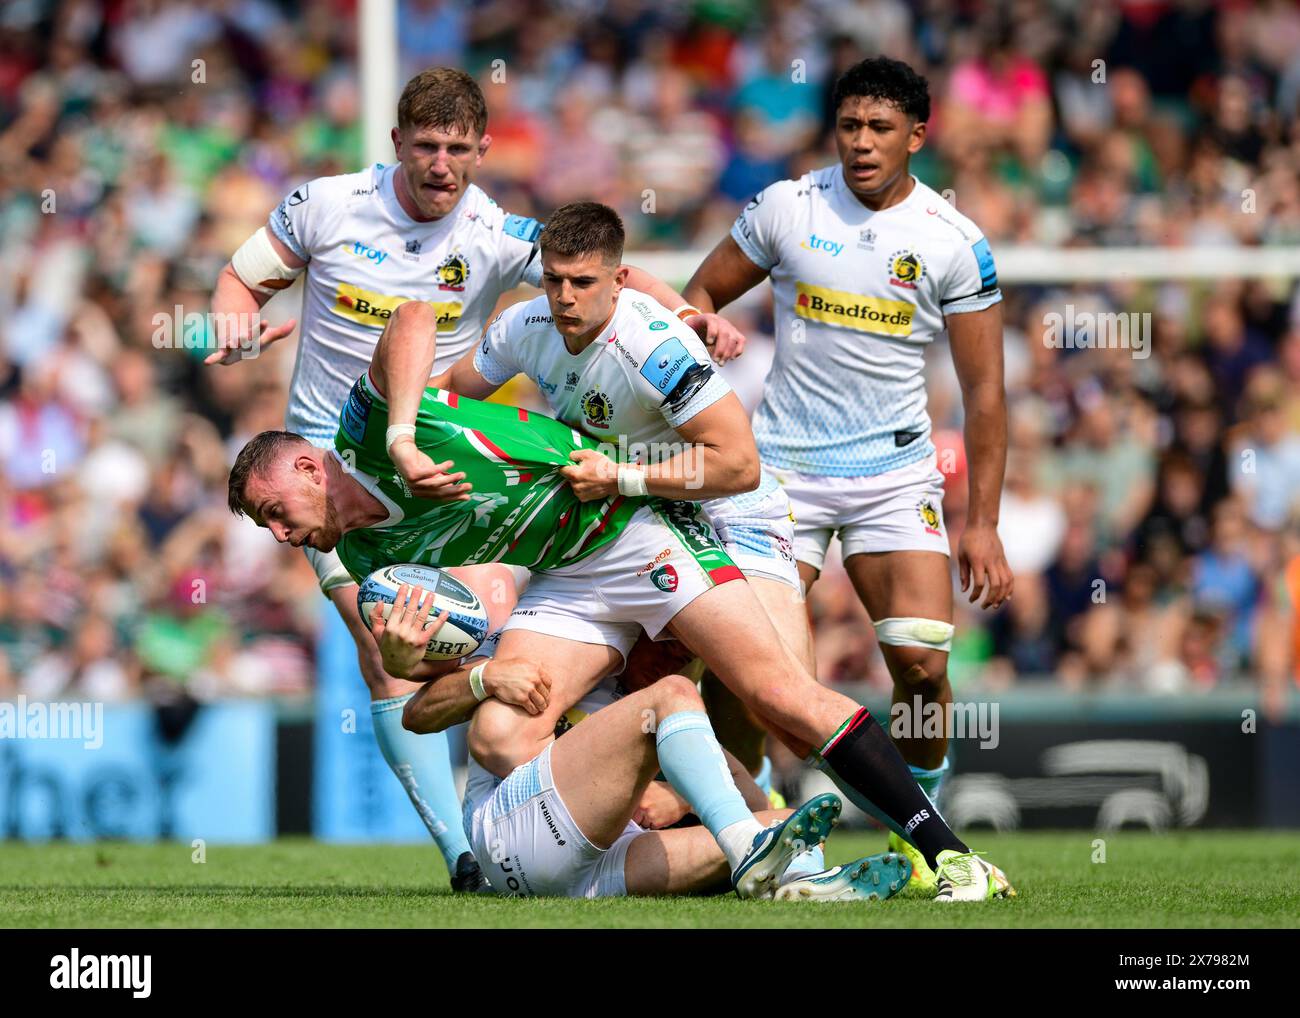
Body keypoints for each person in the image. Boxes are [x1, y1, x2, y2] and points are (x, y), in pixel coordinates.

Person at [226, 244, 1016, 905]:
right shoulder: (365, 561)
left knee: (779, 697)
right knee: (501, 729)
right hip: (566, 573)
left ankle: (947, 853)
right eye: (267, 527)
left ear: (307, 464)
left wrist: (402, 436)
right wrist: (406, 661)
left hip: (636, 529)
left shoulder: (363, 434)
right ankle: (761, 853)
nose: (279, 531)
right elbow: (433, 680)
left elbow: (406, 317)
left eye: (274, 509)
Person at [207, 68, 739, 889]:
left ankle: (607, 801)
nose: (442, 164)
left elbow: (601, 273)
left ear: (483, 152)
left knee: (509, 633)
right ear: (396, 144)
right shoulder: (323, 205)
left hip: (450, 458)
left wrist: (689, 316)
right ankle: (465, 851)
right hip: (334, 463)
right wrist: (232, 318)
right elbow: (241, 278)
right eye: (426, 145)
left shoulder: (492, 230)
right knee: (390, 644)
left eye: (458, 148)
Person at [682, 56, 1014, 891]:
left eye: (880, 128)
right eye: (850, 126)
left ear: (916, 135)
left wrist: (982, 522)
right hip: (780, 472)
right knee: (750, 674)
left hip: (894, 477)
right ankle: (753, 833)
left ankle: (918, 825)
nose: (862, 144)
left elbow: (986, 394)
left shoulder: (951, 240)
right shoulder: (789, 207)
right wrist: (704, 352)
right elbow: (698, 298)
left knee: (923, 666)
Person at [389, 619, 910, 901]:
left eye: (686, 654)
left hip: (597, 879)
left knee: (781, 827)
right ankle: (763, 865)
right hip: (509, 834)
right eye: (663, 643)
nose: (672, 658)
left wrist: (681, 792)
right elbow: (416, 713)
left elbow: (746, 796)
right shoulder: (555, 651)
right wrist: (484, 678)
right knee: (674, 696)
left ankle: (800, 891)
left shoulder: (662, 721)